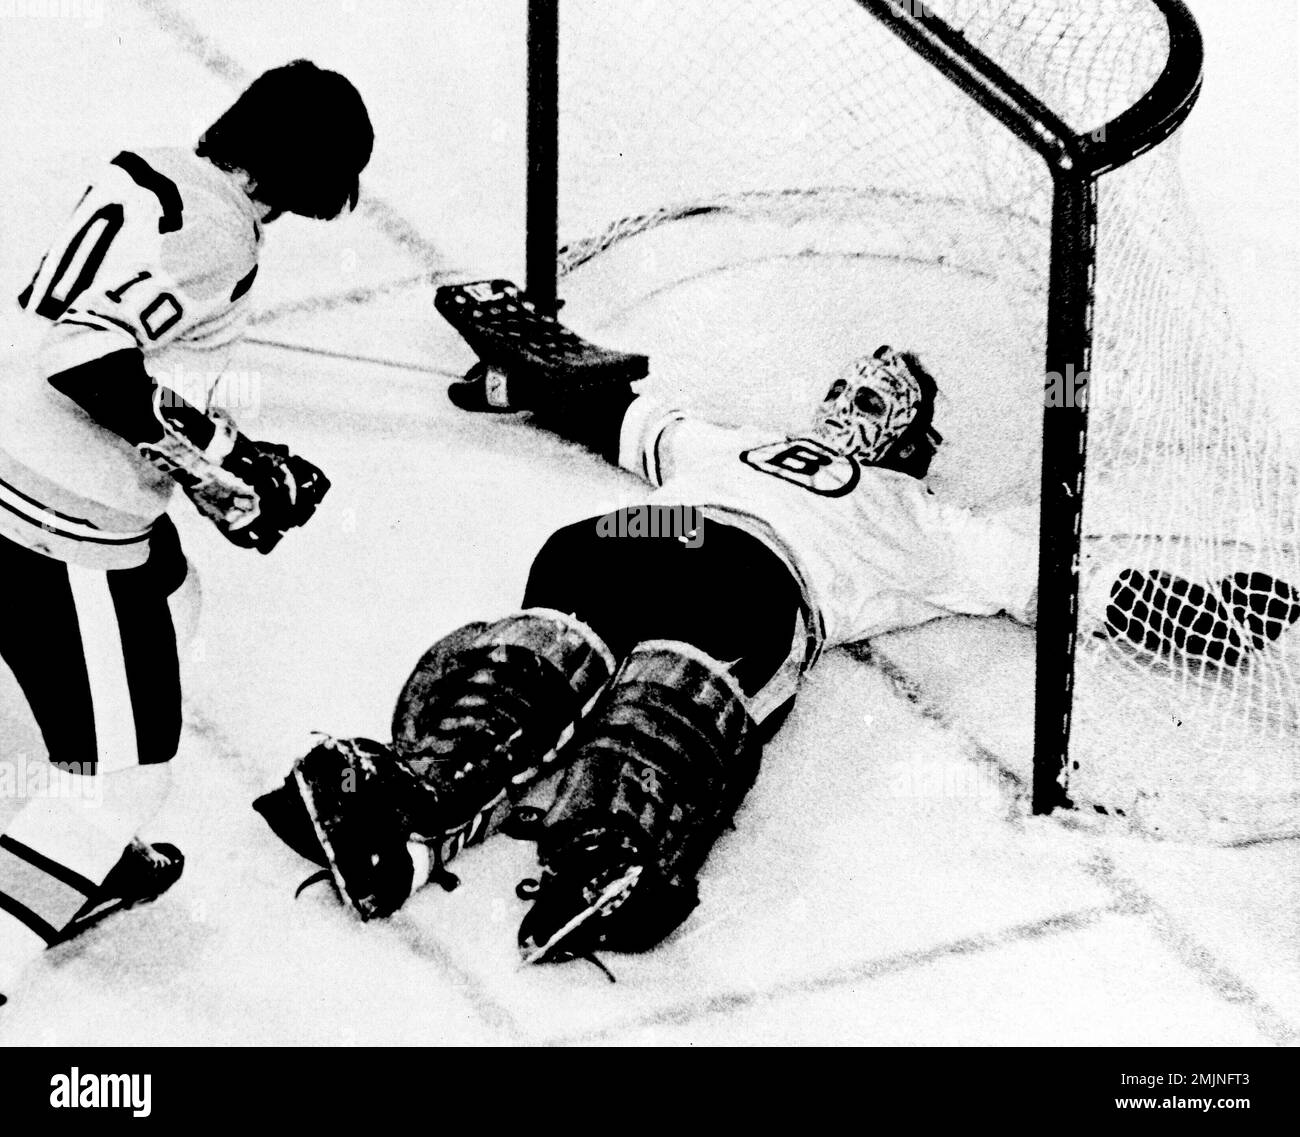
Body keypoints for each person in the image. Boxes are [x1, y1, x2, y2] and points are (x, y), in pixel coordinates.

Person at [258, 284, 1048, 967]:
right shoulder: (758, 451)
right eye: (841, 386)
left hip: (707, 557)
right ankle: (510, 817)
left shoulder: (909, 511)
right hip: (690, 555)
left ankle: (433, 817)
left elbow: (1041, 575)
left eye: (870, 401)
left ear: (909, 445)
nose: (843, 404)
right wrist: (516, 383)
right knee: (606, 678)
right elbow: (622, 415)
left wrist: (1161, 608)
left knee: (594, 674)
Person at [0, 61, 373, 1005]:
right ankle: (40, 884)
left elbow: (121, 343)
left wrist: (219, 469)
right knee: (121, 777)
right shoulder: (220, 233)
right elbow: (81, 355)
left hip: (16, 468)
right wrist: (226, 454)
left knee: (175, 592)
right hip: (55, 527)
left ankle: (72, 857)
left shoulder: (160, 173)